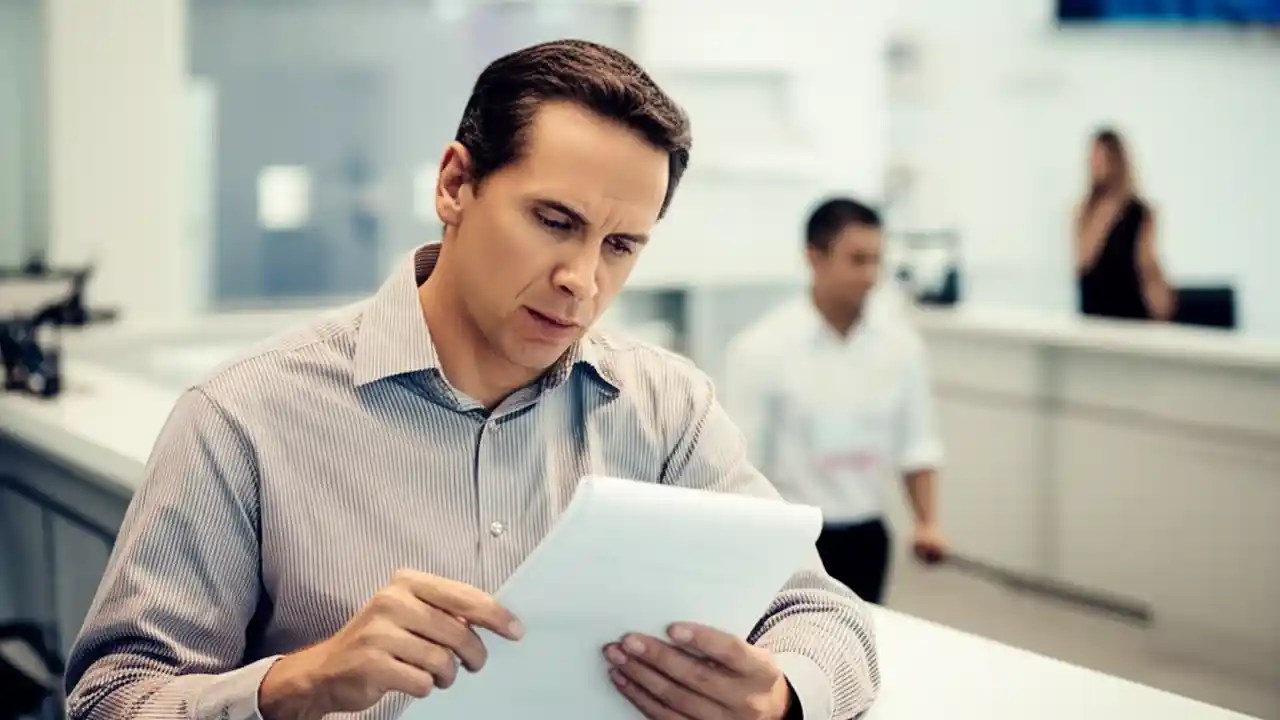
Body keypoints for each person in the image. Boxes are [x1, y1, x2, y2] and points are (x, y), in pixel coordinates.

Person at [64, 41, 878, 720]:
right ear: (455, 184)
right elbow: (109, 698)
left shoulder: (668, 410)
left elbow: (826, 616)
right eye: (554, 222)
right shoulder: (244, 416)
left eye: (620, 245)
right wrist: (296, 682)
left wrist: (777, 695)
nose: (581, 280)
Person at [724, 198, 946, 606]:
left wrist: (927, 522)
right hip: (792, 537)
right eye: (856, 260)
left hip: (867, 535)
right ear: (814, 258)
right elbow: (740, 463)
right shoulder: (761, 349)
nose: (870, 275)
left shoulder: (901, 347)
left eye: (877, 260)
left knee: (858, 650)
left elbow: (918, 445)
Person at [1075, 128, 1176, 321]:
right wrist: (1106, 210)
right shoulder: (1084, 211)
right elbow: (1083, 262)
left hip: (1130, 313)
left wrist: (1162, 308)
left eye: (1101, 158)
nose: (1094, 165)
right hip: (1096, 314)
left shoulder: (1140, 213)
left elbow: (1147, 265)